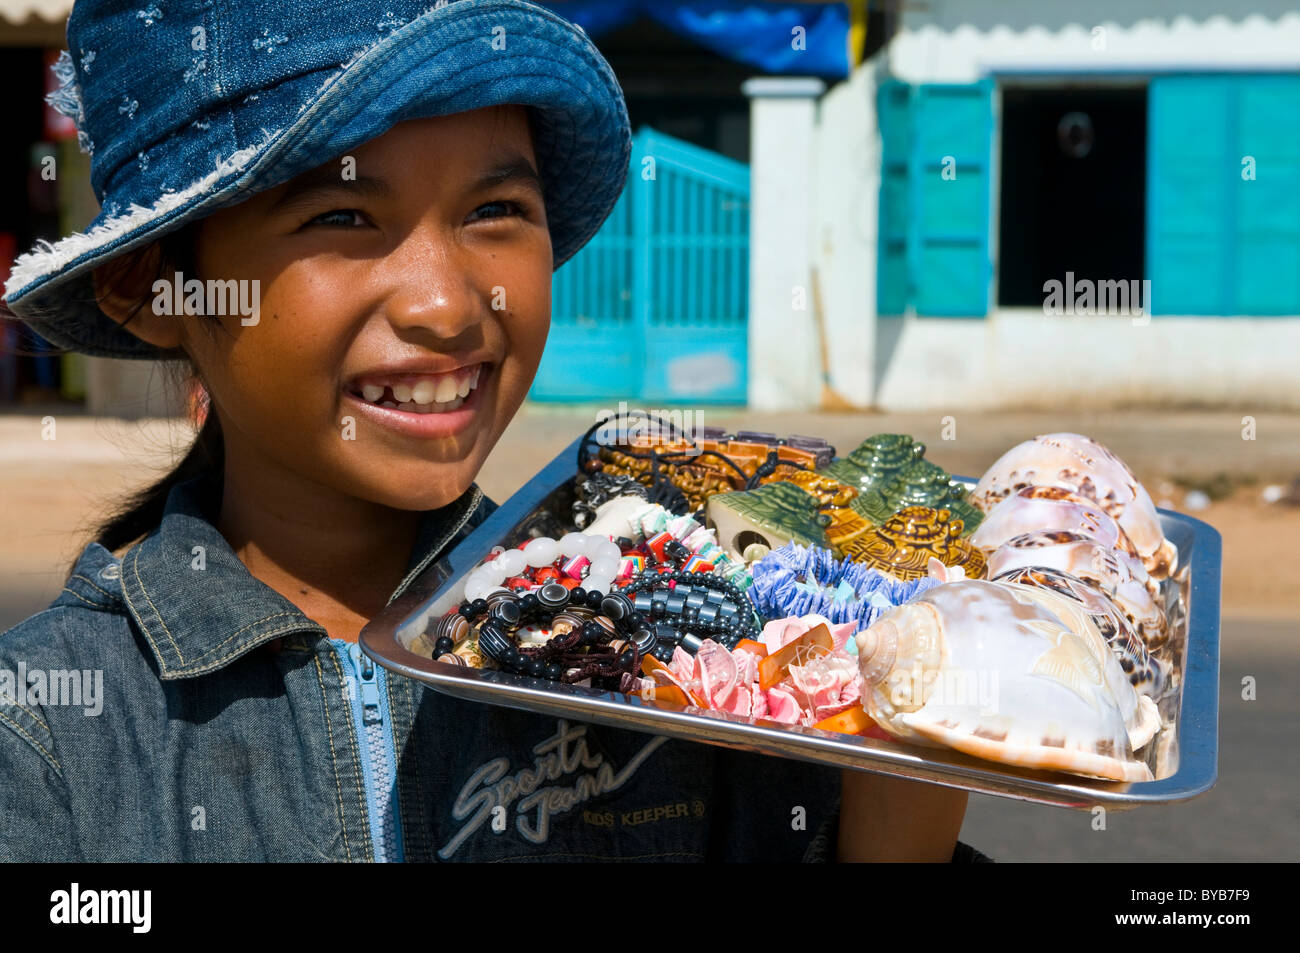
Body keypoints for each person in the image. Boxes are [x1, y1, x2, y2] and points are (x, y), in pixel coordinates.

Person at [0, 0, 983, 862]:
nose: (446, 302)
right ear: (154, 286)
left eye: (495, 208)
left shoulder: (691, 650)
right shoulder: (49, 730)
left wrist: (904, 772)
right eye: (343, 215)